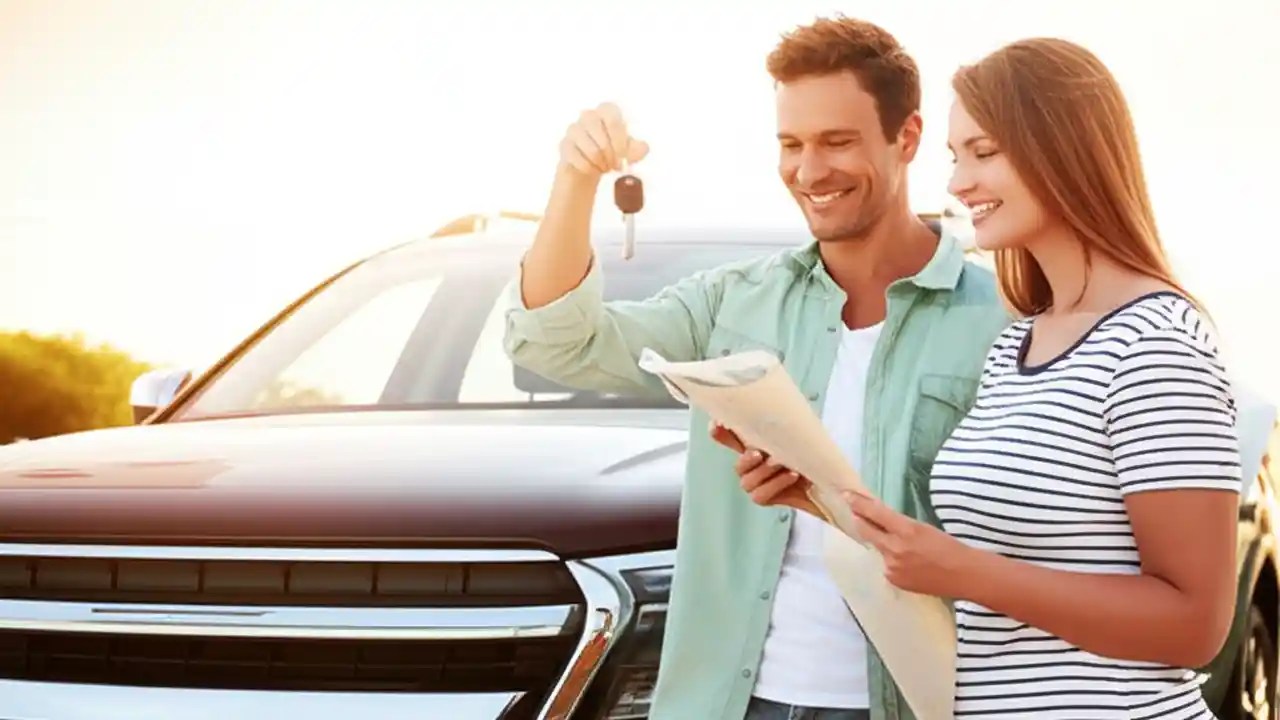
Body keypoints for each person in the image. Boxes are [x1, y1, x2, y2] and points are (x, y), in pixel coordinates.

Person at [503, 14, 1010, 720]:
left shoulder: (1007, 319)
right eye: (791, 144)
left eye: (837, 142)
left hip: (917, 703)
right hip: (732, 702)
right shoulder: (731, 306)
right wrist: (576, 177)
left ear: (909, 138)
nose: (809, 171)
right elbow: (554, 343)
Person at [726, 37, 1242, 719]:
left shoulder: (1156, 344)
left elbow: (1194, 626)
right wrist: (818, 498)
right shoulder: (1017, 345)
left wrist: (962, 573)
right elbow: (993, 557)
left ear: (1064, 149)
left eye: (985, 153)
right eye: (955, 155)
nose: (958, 183)